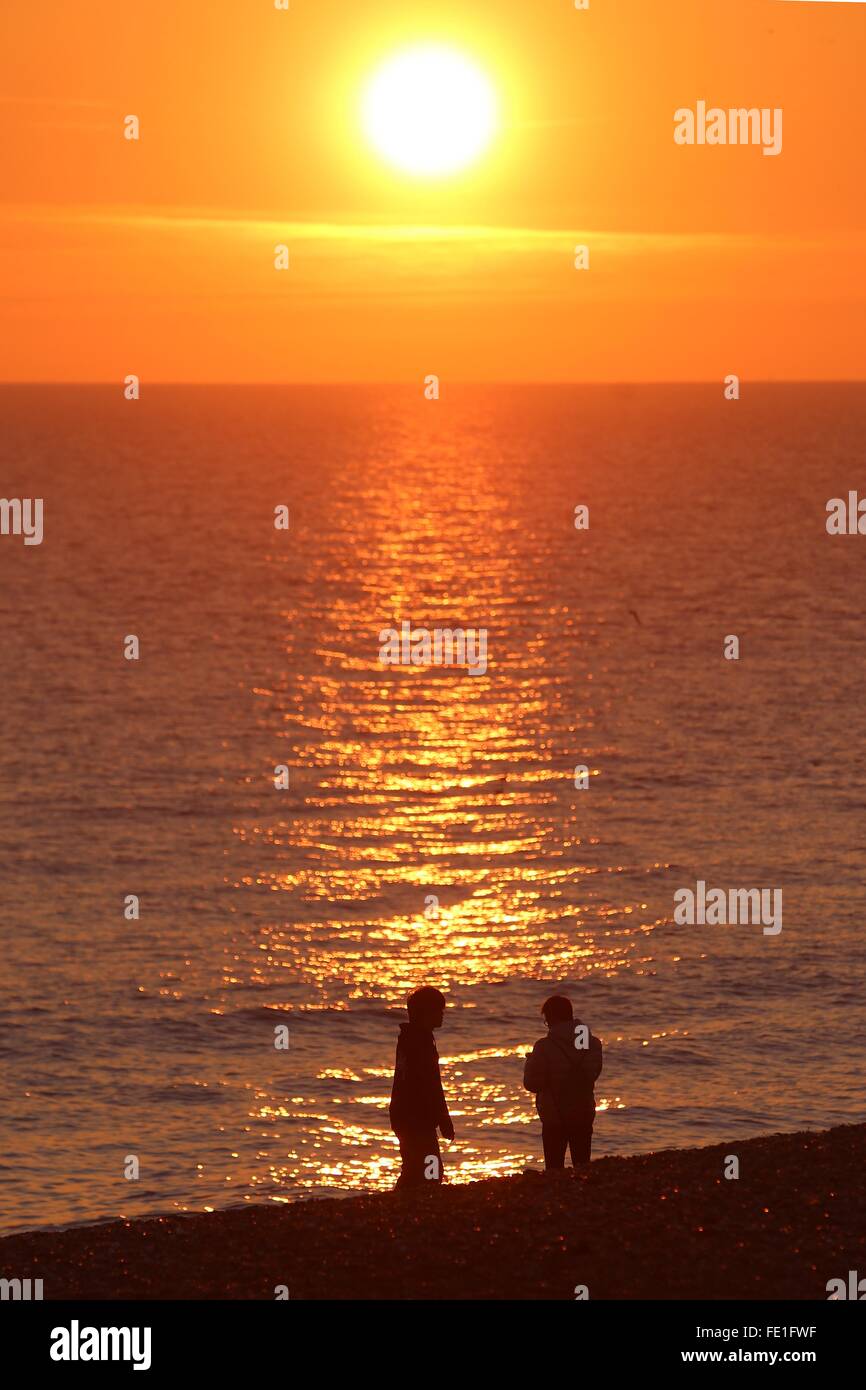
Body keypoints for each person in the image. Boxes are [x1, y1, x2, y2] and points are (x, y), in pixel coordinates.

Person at [523, 995, 602, 1169]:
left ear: (551, 1018)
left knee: (553, 1170)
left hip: (554, 1116)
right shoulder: (592, 1043)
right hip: (583, 1112)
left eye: (547, 1021)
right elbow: (592, 1074)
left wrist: (530, 1061)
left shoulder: (544, 1047)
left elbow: (531, 1083)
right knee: (582, 1167)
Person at [389, 986, 454, 1188]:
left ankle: (405, 1204)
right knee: (429, 1169)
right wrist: (443, 1118)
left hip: (404, 1114)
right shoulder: (420, 1042)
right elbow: (430, 1083)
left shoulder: (409, 1038)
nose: (442, 1015)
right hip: (415, 1116)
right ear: (426, 1013)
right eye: (439, 1010)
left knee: (416, 1166)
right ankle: (412, 1206)